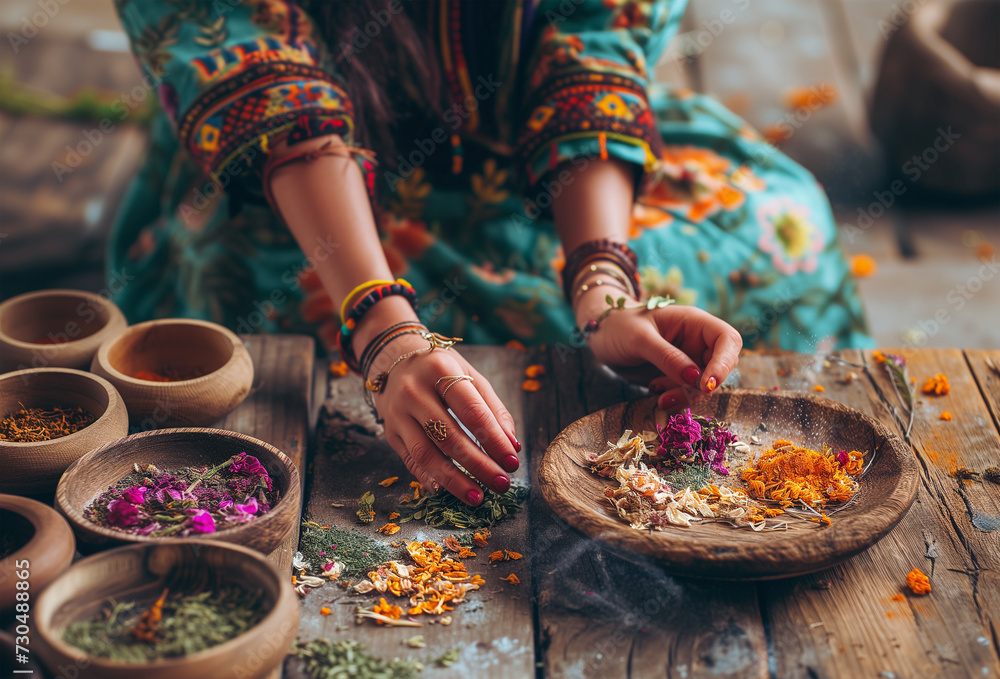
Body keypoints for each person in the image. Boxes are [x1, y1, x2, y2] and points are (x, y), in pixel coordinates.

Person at [109, 0, 874, 505]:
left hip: (542, 152)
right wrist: (381, 327)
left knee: (782, 227)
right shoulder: (277, 125)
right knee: (246, 311)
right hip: (293, 176)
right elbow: (248, 65)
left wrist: (602, 281)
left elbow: (592, 40)